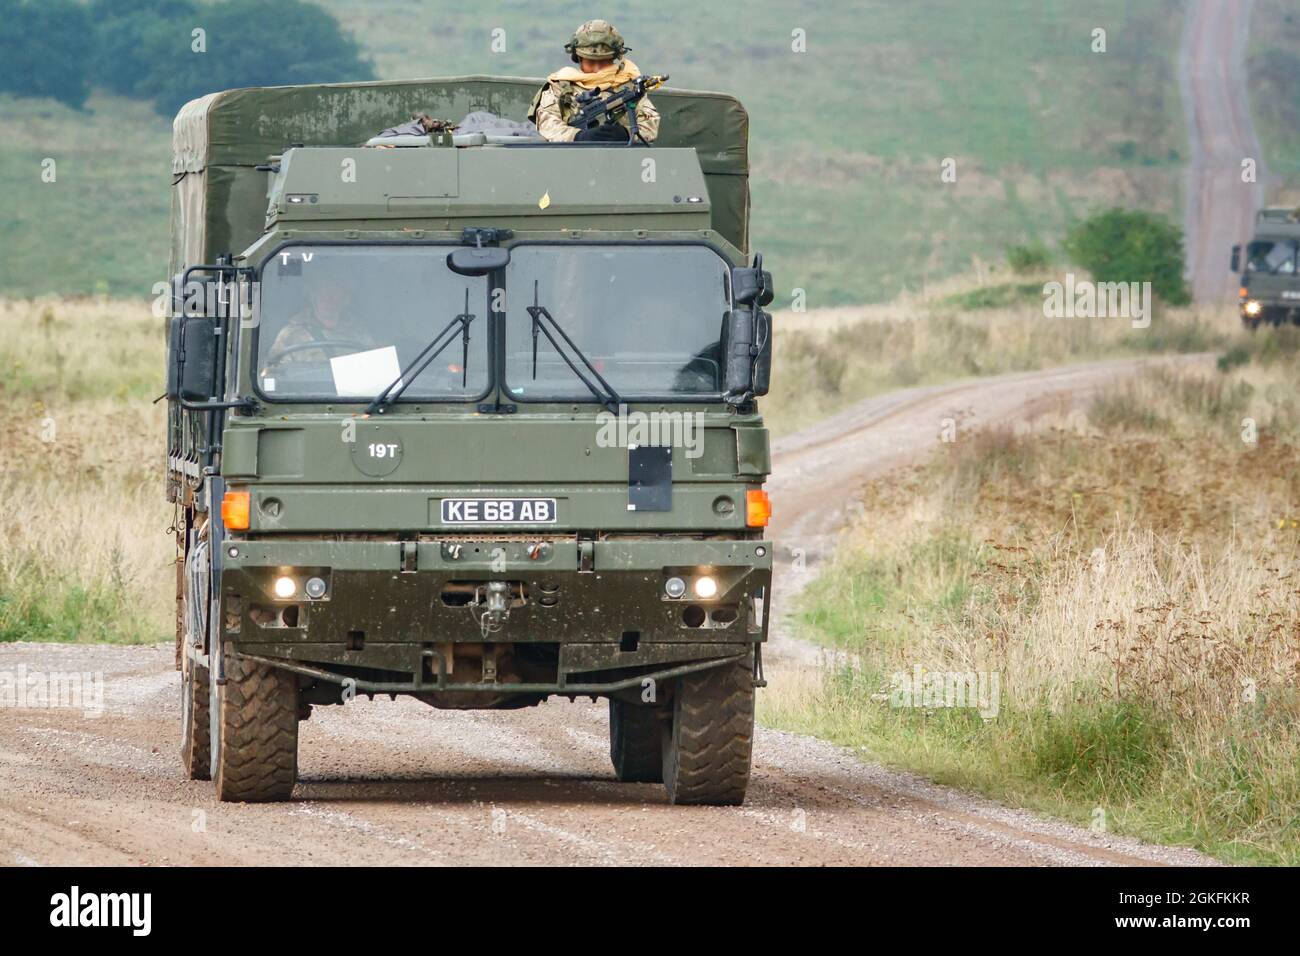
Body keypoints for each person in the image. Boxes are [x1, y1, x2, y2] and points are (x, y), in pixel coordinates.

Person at [527, 19, 660, 145]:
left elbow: (650, 124)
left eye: (604, 62)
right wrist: (578, 137)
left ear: (614, 58)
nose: (597, 69)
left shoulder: (628, 86)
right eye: (590, 62)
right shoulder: (561, 86)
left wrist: (625, 133)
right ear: (578, 57)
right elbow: (547, 124)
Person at [265, 275, 374, 366]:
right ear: (313, 297)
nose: (327, 298)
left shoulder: (359, 332)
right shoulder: (290, 334)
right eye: (322, 291)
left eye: (334, 292)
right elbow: (275, 374)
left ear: (346, 299)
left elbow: (372, 369)